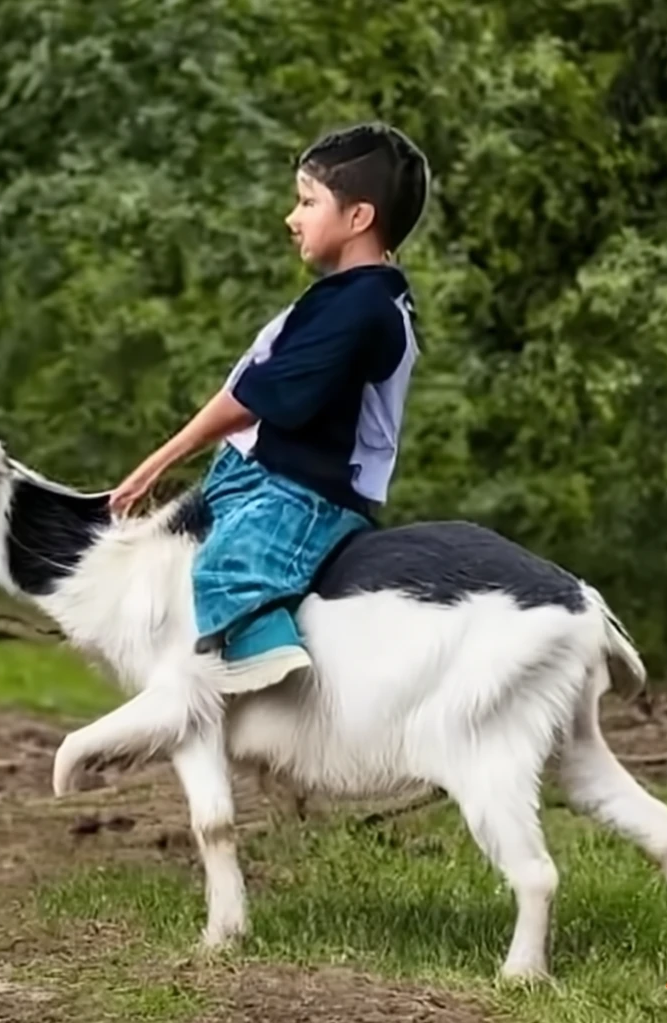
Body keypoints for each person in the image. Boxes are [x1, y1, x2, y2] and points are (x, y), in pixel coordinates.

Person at [109, 121, 430, 693]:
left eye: (308, 201)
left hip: (302, 495)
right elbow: (249, 386)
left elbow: (256, 398)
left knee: (225, 574)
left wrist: (159, 460)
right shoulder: (345, 298)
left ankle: (284, 678)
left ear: (358, 218)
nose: (293, 217)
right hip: (262, 480)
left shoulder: (362, 308)